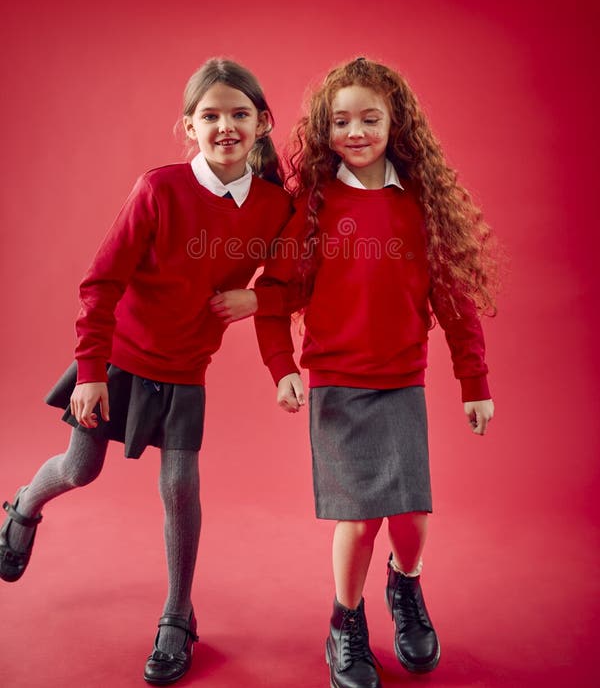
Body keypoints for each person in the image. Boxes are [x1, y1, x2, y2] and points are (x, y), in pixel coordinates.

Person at [0, 58, 291, 685]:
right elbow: (99, 282)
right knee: (79, 467)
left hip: (186, 368)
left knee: (180, 487)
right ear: (188, 126)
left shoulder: (275, 208)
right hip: (117, 361)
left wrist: (259, 299)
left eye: (240, 114)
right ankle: (22, 509)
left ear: (263, 122)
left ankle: (177, 617)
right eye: (209, 116)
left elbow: (295, 286)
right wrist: (89, 373)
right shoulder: (159, 189)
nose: (225, 127)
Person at [244, 57, 496, 688]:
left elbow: (455, 300)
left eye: (370, 118)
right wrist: (282, 369)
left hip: (402, 382)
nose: (355, 131)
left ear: (395, 123)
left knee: (411, 517)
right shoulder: (312, 208)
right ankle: (344, 623)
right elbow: (274, 296)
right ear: (325, 130)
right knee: (359, 521)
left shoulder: (419, 206)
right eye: (341, 120)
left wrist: (475, 381)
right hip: (337, 385)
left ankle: (405, 588)